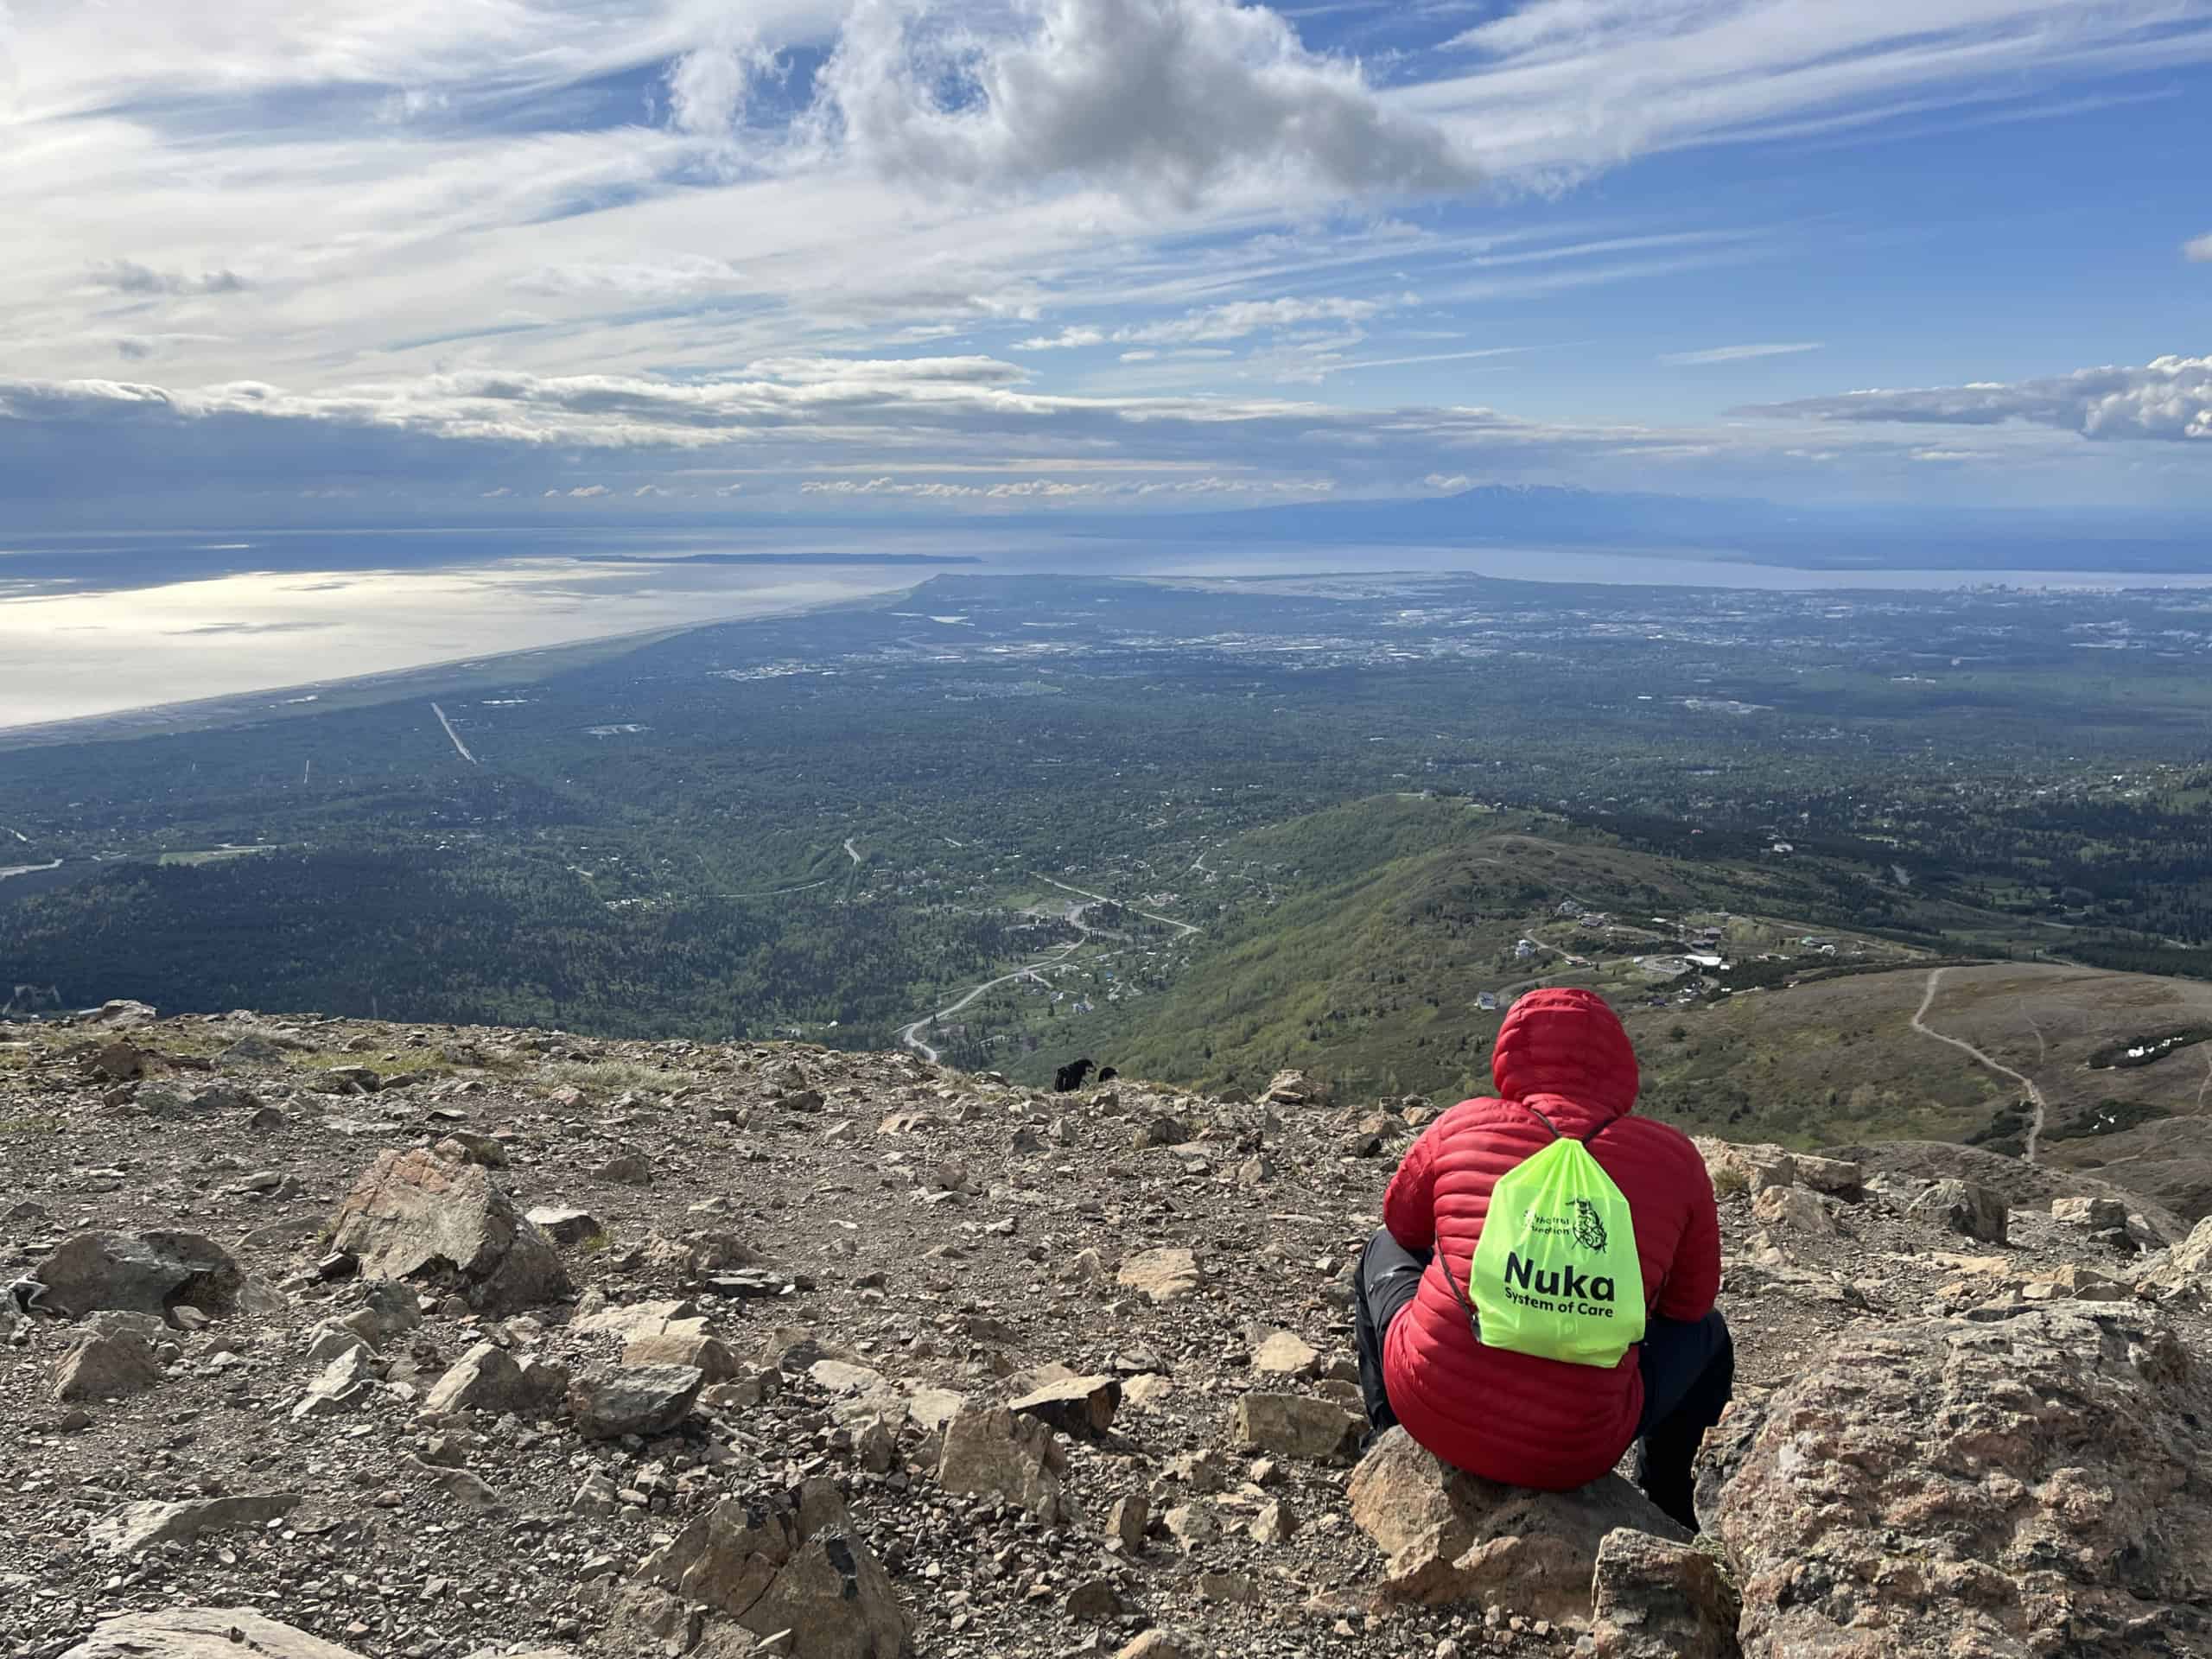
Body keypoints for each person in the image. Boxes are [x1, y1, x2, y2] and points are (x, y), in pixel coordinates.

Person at [1351, 987, 1730, 1531]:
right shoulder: (1675, 1159)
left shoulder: (1464, 1123)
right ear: (1620, 1067)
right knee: (1710, 1338)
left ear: (1511, 1055)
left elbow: (1402, 1227)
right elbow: (1690, 1305)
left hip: (1431, 1408)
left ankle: (1389, 1435)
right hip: (1578, 1446)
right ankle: (1670, 1507)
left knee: (1380, 1249)